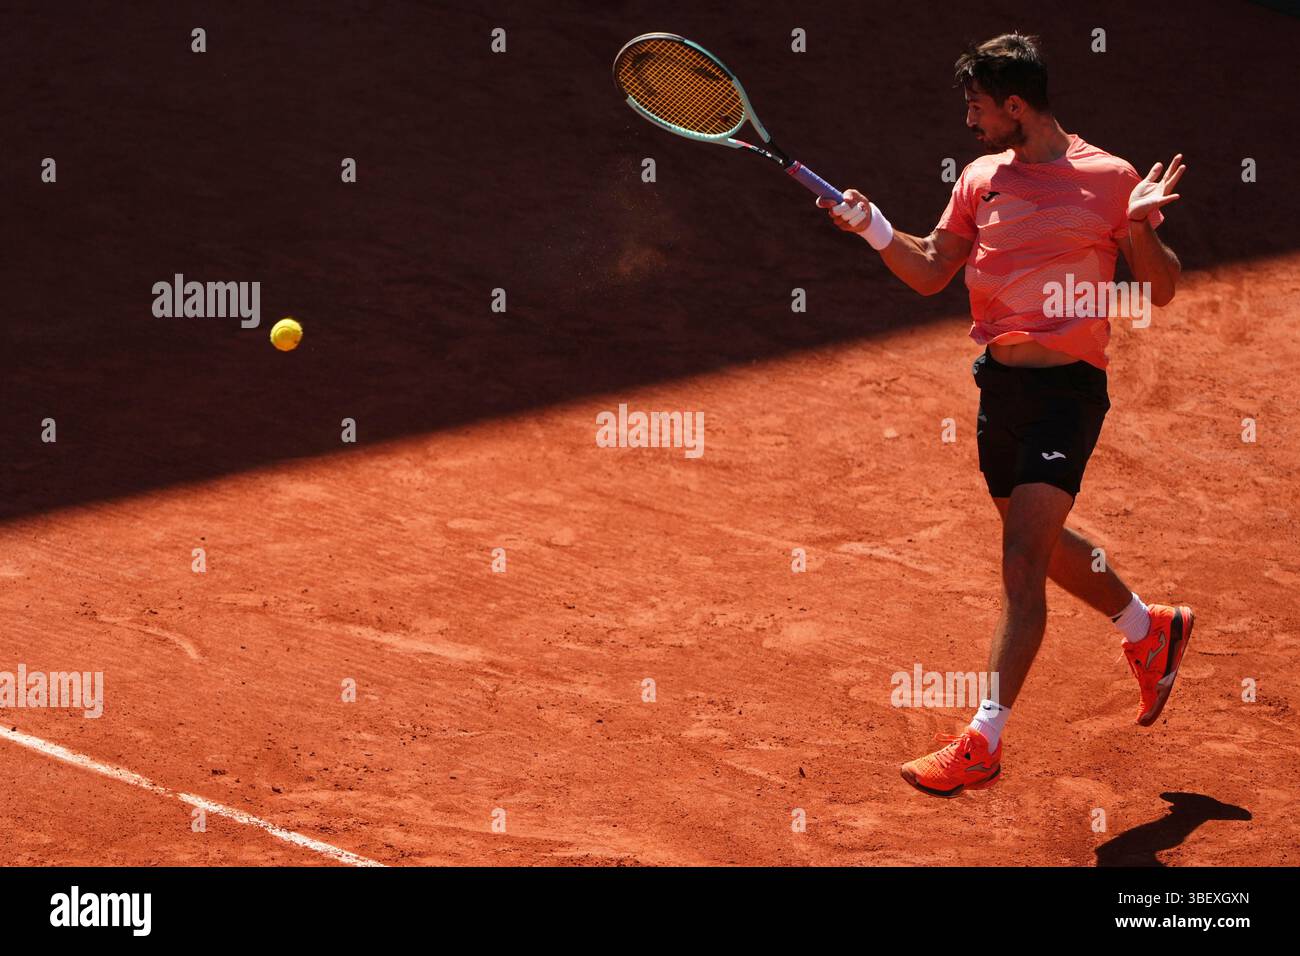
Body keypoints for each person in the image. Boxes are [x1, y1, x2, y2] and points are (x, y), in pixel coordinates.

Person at [818, 33, 1193, 797]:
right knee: (1045, 547)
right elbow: (930, 271)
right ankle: (1147, 632)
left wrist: (1145, 229)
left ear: (1016, 106)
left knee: (1022, 565)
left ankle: (983, 740)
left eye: (978, 107)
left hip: (1068, 394)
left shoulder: (1111, 179)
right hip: (1000, 390)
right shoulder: (980, 177)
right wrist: (874, 229)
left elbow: (1163, 290)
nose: (971, 121)